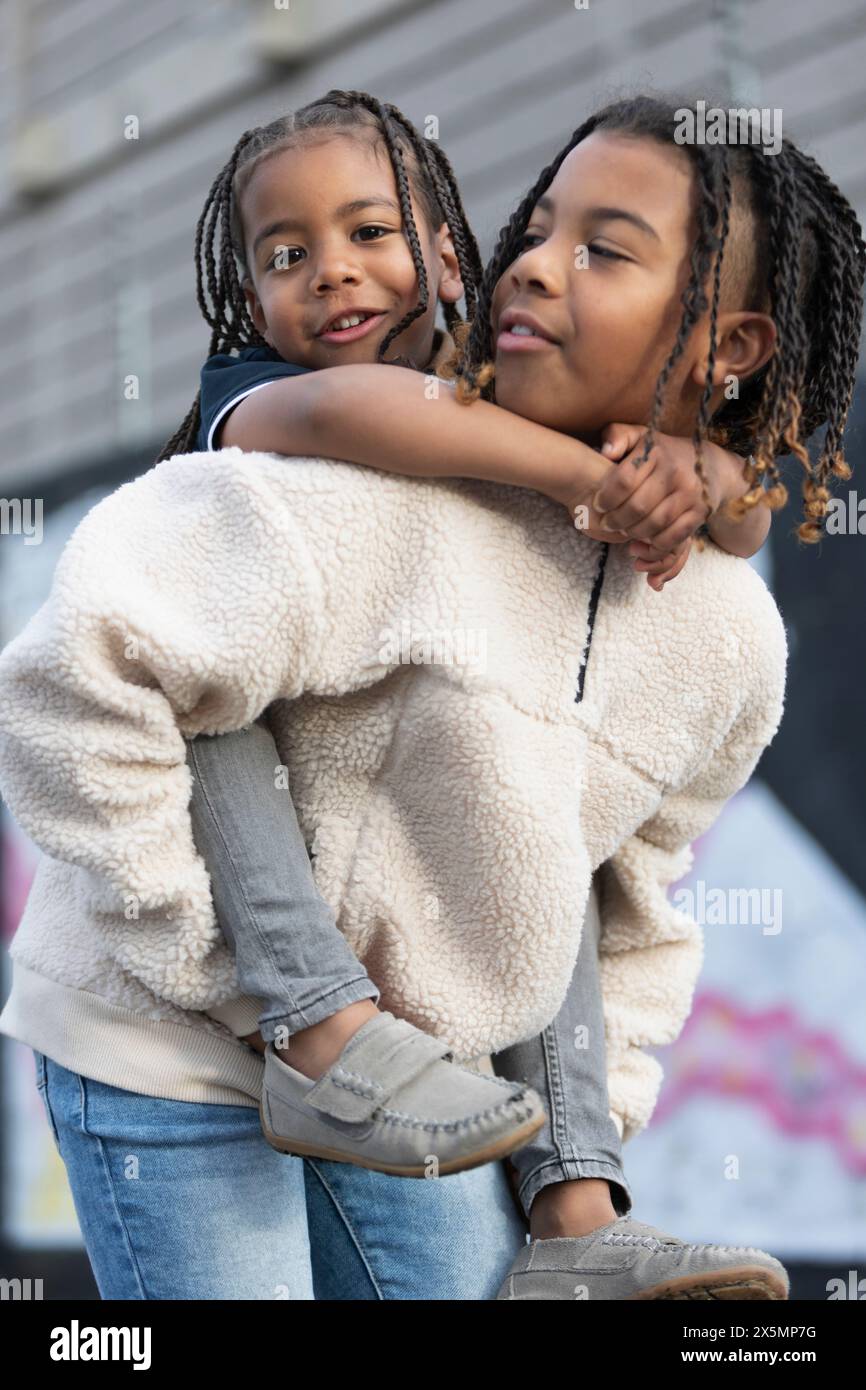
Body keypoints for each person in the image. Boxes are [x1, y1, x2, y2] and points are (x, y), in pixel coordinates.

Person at [0, 91, 861, 1300]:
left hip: (420, 1068)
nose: (537, 270)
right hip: (180, 1029)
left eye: (599, 248)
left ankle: (575, 1205)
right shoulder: (294, 425)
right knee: (225, 715)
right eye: (285, 255)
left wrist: (707, 469)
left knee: (543, 819)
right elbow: (356, 423)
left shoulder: (690, 606)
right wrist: (215, 977)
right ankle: (313, 1019)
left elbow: (634, 886)